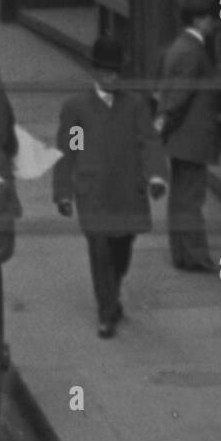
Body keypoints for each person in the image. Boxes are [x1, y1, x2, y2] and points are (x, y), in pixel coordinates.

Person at [54, 36, 167, 338]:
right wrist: (63, 192)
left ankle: (113, 293)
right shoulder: (76, 108)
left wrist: (156, 176)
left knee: (121, 252)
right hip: (93, 192)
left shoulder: (135, 106)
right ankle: (106, 312)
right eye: (105, 72)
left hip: (126, 189)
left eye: (116, 72)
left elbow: (148, 142)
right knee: (100, 250)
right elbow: (68, 151)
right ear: (94, 71)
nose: (111, 78)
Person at [157, 0, 220, 271]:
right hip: (191, 136)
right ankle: (195, 255)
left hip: (181, 137)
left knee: (181, 198)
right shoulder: (192, 52)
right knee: (191, 199)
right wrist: (164, 122)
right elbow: (179, 97)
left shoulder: (180, 47)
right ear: (199, 19)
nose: (215, 23)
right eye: (211, 18)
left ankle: (182, 254)